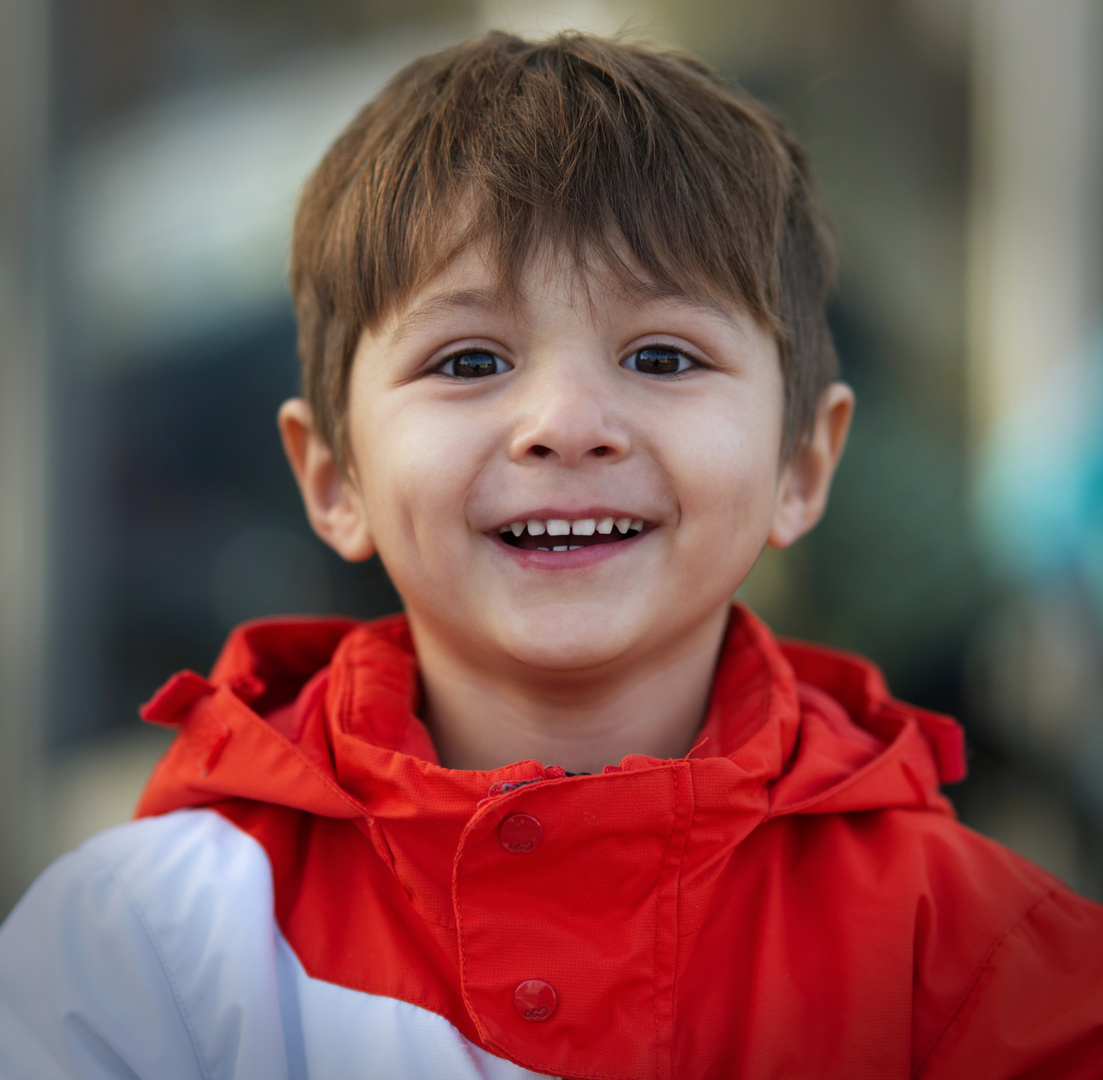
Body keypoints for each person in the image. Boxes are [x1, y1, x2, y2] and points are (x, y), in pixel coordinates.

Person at [1, 30, 1101, 1080]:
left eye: (661, 357)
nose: (567, 426)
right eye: (469, 360)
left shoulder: (989, 970)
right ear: (332, 476)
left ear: (801, 463)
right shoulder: (139, 952)